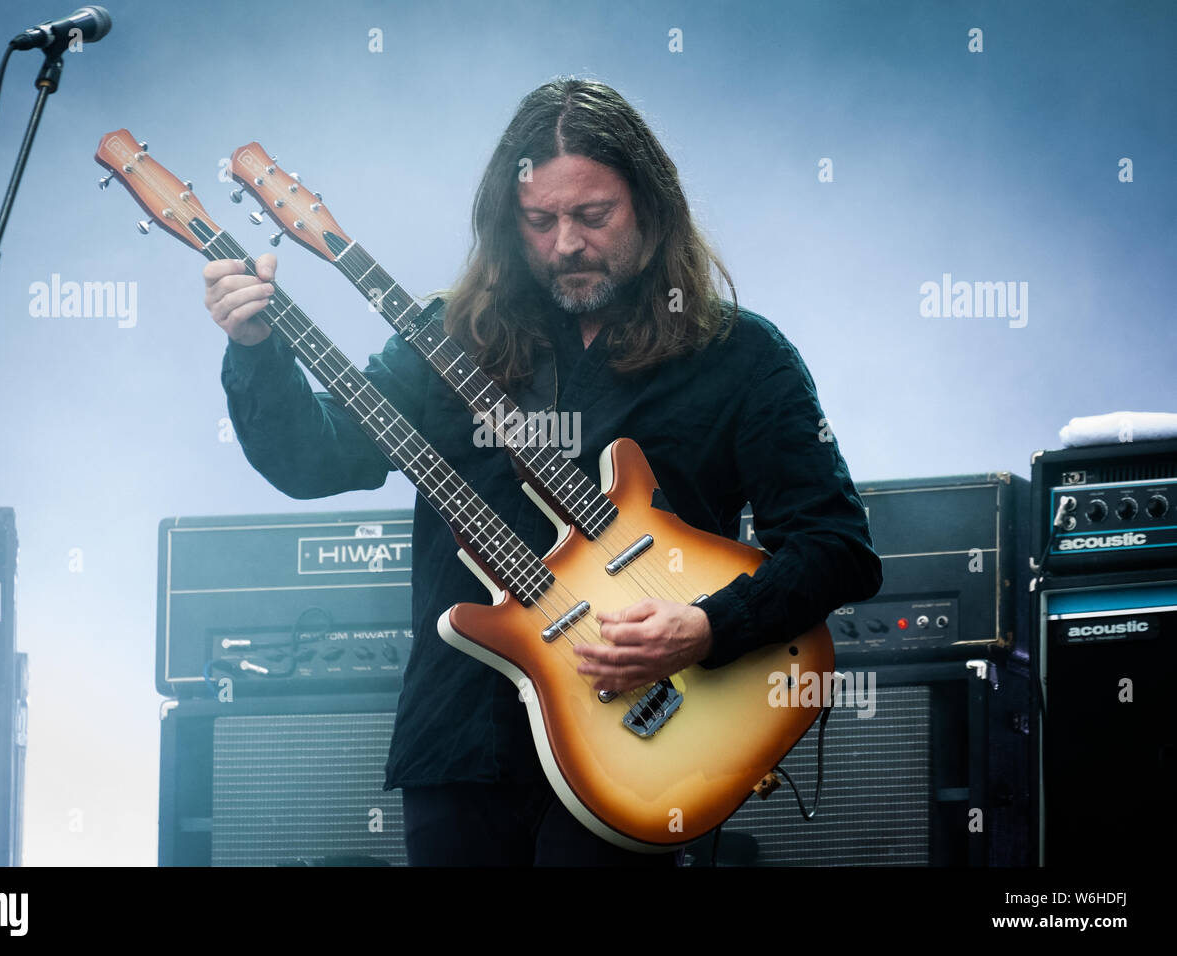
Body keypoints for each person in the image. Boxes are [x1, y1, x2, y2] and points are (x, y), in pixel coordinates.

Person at [203, 78, 882, 866]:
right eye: (540, 221)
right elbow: (313, 461)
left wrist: (706, 627)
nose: (566, 243)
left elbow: (836, 549)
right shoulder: (441, 337)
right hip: (462, 742)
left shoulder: (740, 356)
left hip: (649, 750)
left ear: (651, 209)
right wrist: (256, 353)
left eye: (594, 216)